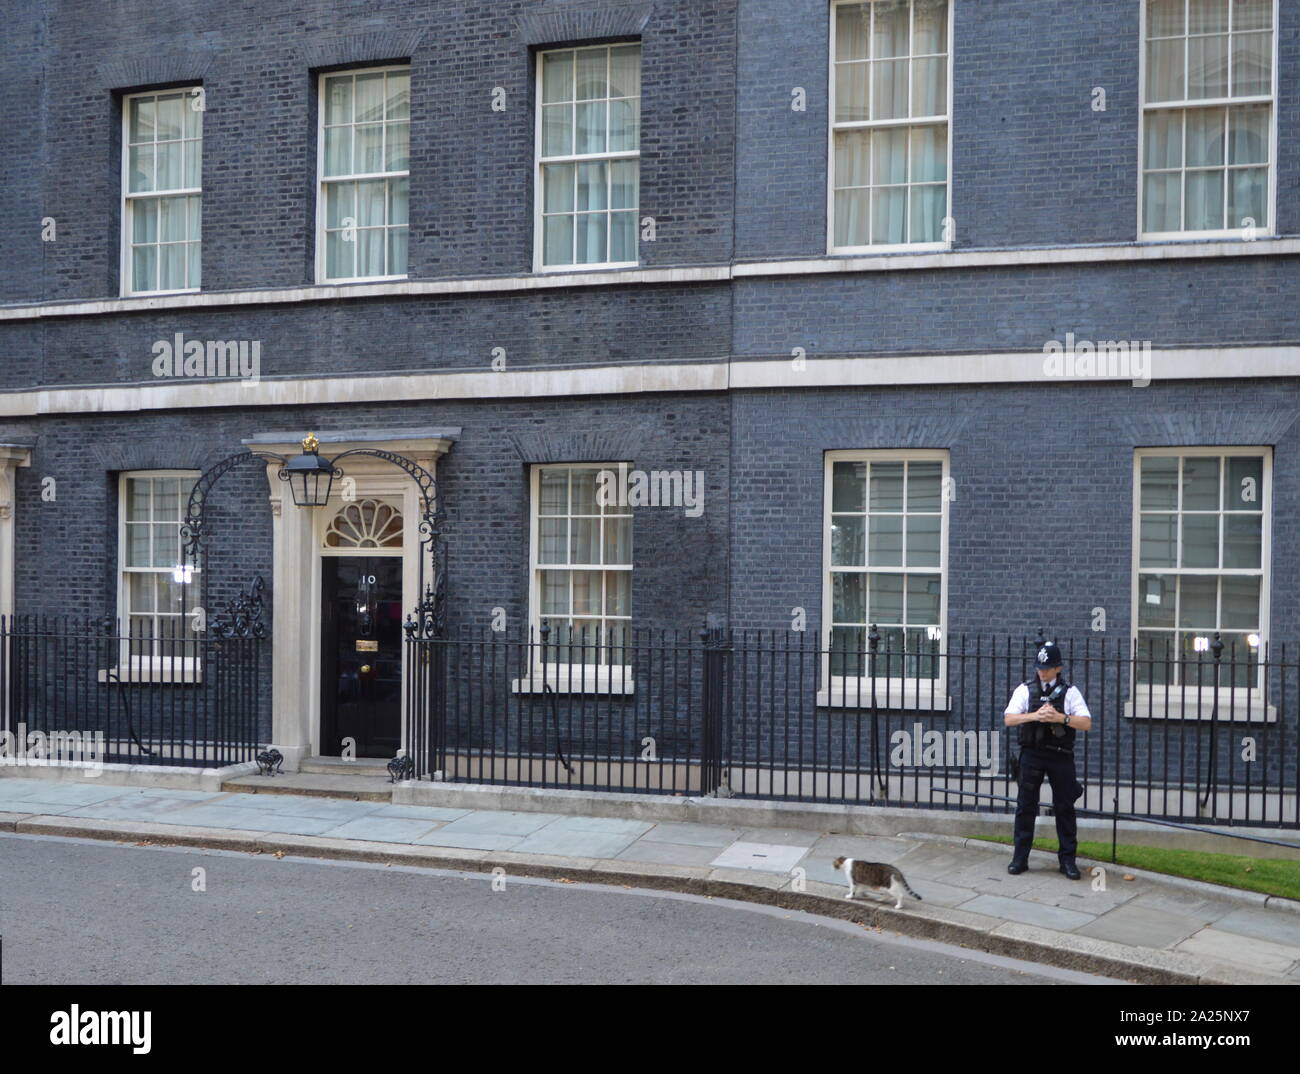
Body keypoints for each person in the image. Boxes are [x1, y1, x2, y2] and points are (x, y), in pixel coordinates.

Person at [1002, 641, 1092, 879]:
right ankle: (1019, 859)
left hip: (1060, 756)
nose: (1043, 672)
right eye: (1040, 667)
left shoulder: (1070, 692)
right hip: (1032, 754)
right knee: (1025, 806)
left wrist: (1061, 718)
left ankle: (1068, 861)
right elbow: (1009, 719)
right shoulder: (1025, 689)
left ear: (1058, 668)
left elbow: (1086, 723)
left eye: (1048, 667)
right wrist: (1035, 715)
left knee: (1064, 808)